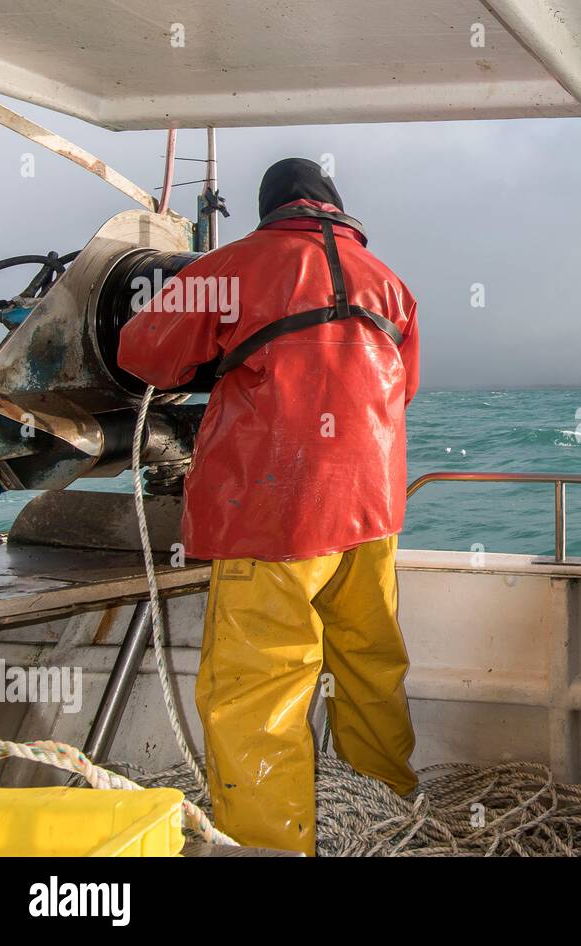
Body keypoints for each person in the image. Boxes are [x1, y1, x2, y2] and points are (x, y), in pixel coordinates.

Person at [118, 158, 420, 855]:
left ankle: (270, 846)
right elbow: (401, 391)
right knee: (370, 662)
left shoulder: (237, 267)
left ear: (269, 212)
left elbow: (143, 352)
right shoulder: (392, 285)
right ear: (335, 208)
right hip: (371, 513)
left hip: (273, 516)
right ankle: (390, 809)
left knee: (258, 694)